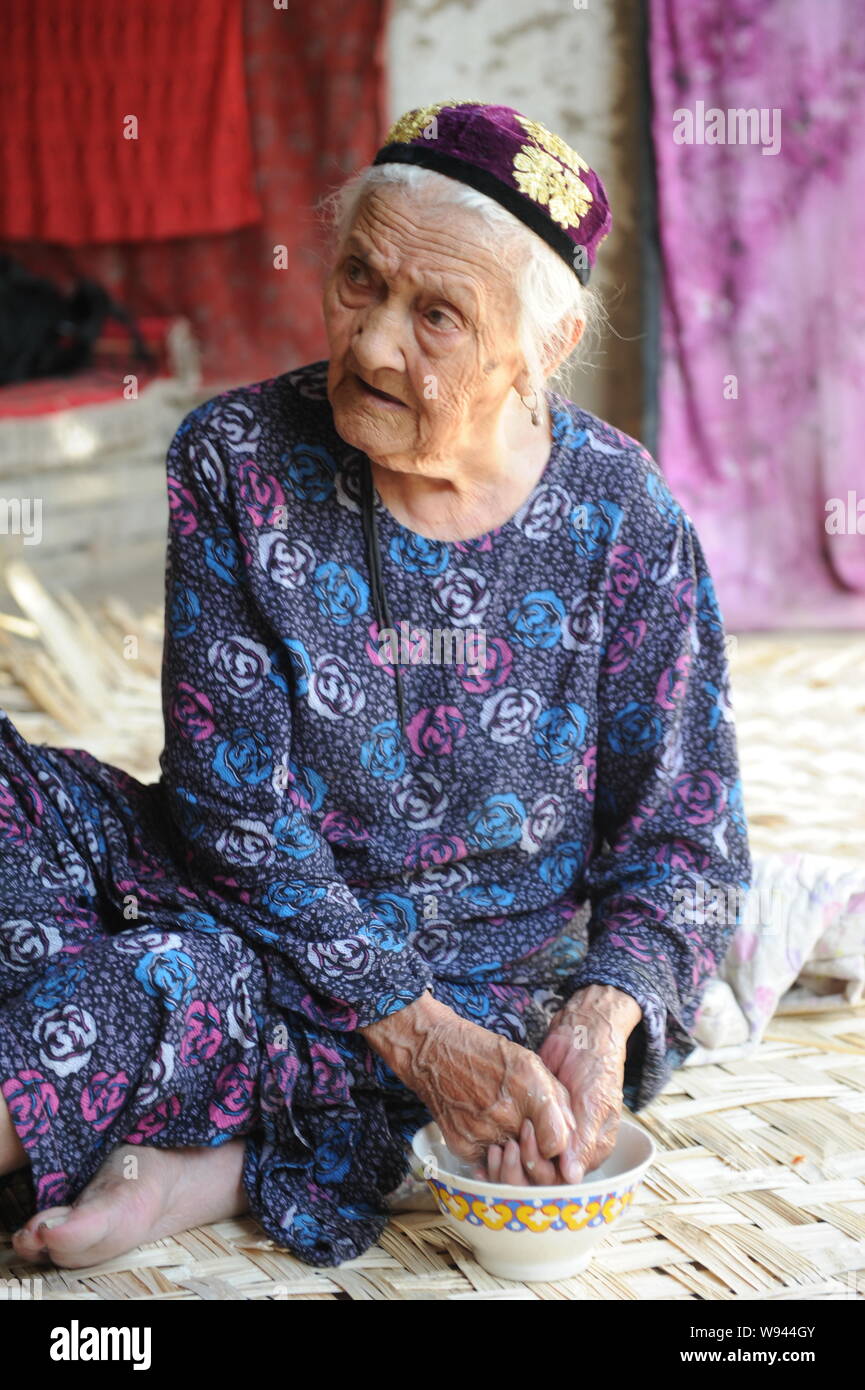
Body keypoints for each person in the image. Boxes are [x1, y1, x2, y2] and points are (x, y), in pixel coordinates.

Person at [0, 101, 751, 1271]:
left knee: (151, 989)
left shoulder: (623, 519)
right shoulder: (237, 459)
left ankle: (208, 1128)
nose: (373, 342)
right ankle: (255, 1133)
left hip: (480, 988)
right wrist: (407, 1036)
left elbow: (686, 840)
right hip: (234, 892)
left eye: (437, 314)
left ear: (540, 348)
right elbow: (229, 817)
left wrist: (601, 1019)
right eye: (360, 281)